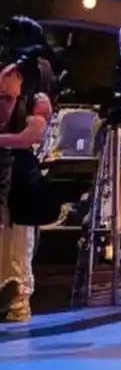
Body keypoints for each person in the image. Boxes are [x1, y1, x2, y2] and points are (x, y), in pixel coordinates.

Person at [0, 32, 57, 324]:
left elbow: (30, 136)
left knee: (18, 237)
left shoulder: (37, 93)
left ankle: (18, 297)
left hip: (17, 170)